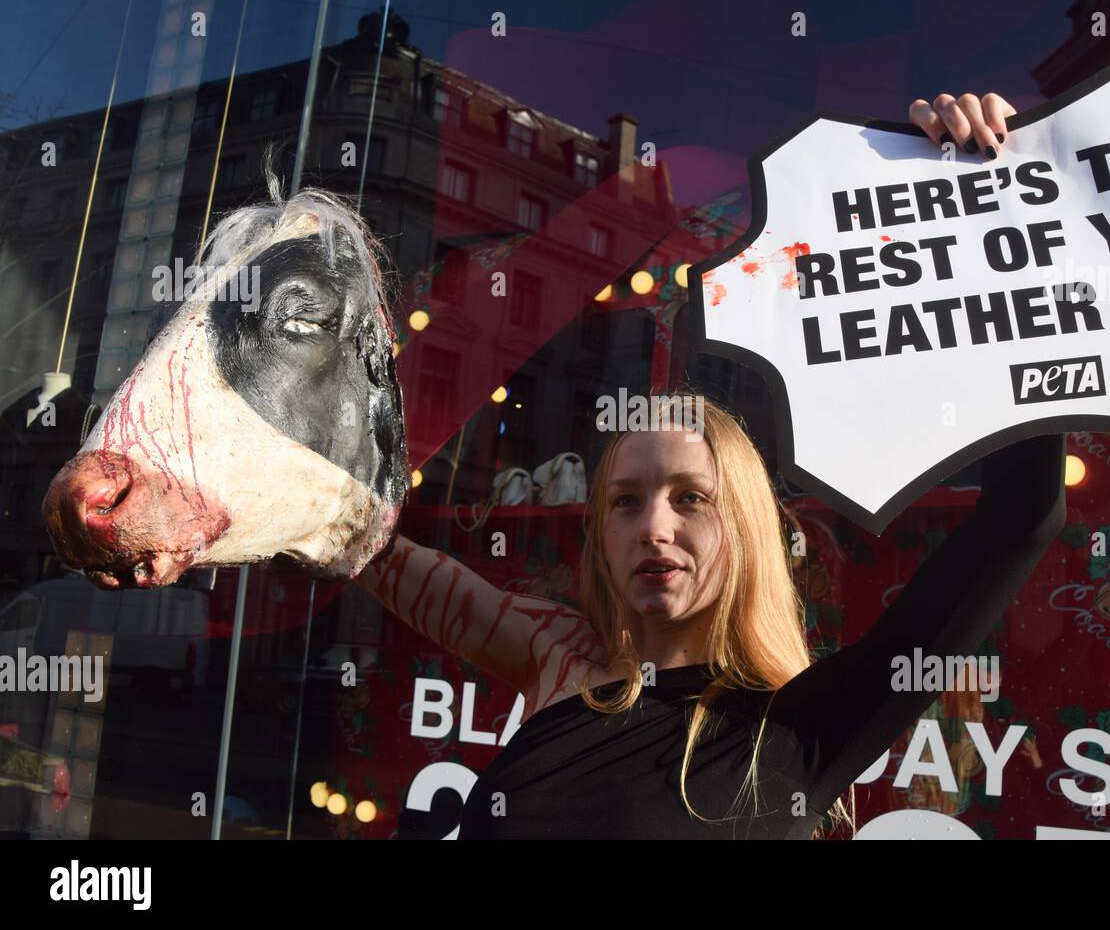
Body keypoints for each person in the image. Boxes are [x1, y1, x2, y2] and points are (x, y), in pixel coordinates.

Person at [357, 93, 1066, 839]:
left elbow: (1020, 520)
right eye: (625, 502)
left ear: (746, 526)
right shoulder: (560, 656)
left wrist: (991, 209)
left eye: (690, 498)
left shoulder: (805, 723)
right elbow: (370, 551)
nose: (654, 528)